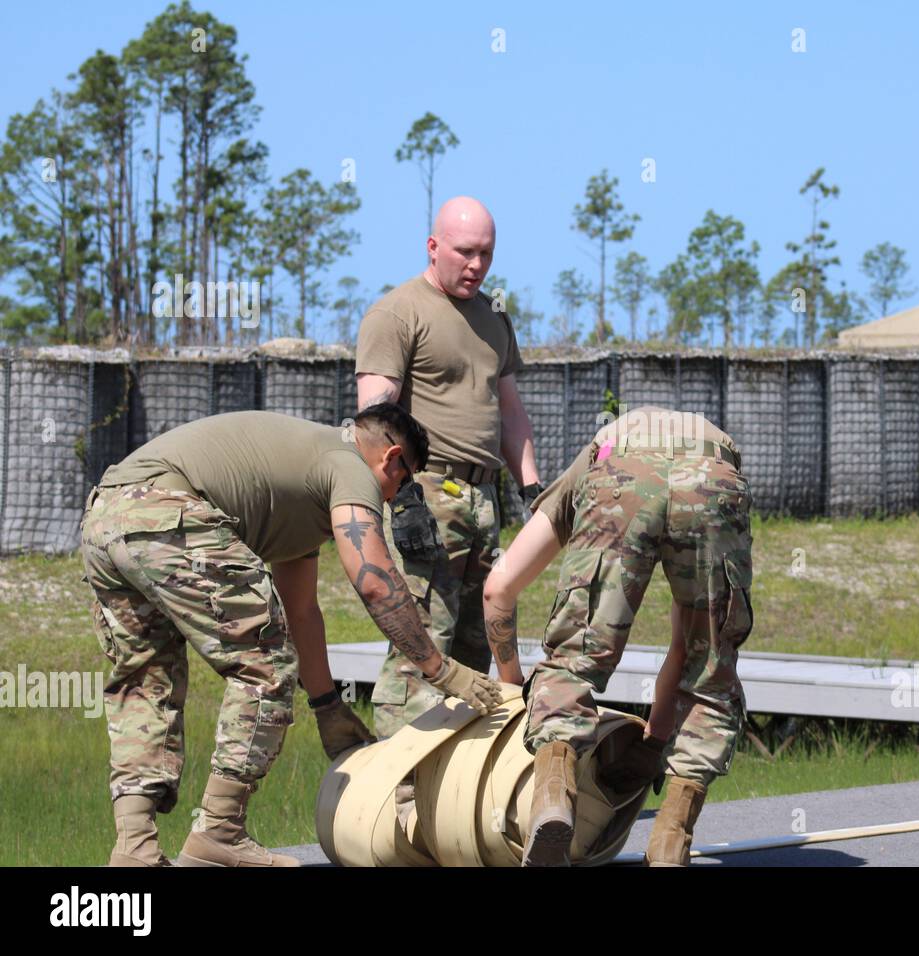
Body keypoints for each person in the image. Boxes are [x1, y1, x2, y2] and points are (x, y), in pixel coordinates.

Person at [81, 403, 501, 868]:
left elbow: (302, 612)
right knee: (265, 665)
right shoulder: (350, 464)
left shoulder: (302, 490)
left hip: (107, 517)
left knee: (145, 679)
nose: (390, 501)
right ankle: (219, 831)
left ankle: (135, 849)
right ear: (392, 457)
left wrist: (327, 707)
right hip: (167, 512)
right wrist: (441, 671)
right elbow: (376, 581)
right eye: (402, 484)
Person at [482, 405, 753, 866]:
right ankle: (670, 842)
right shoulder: (710, 447)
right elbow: (684, 647)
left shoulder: (593, 461)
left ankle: (553, 800)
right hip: (715, 475)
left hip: (620, 472)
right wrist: (655, 740)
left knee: (573, 659)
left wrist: (514, 686)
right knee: (710, 669)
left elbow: (498, 588)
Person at [355, 195, 541, 741]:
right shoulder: (397, 312)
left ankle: (451, 776)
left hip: (484, 497)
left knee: (475, 647)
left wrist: (533, 491)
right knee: (421, 640)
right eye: (464, 252)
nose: (476, 265)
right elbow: (374, 419)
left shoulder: (494, 317)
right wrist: (403, 499)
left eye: (486, 253)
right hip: (428, 491)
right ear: (433, 247)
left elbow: (510, 412)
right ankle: (397, 776)